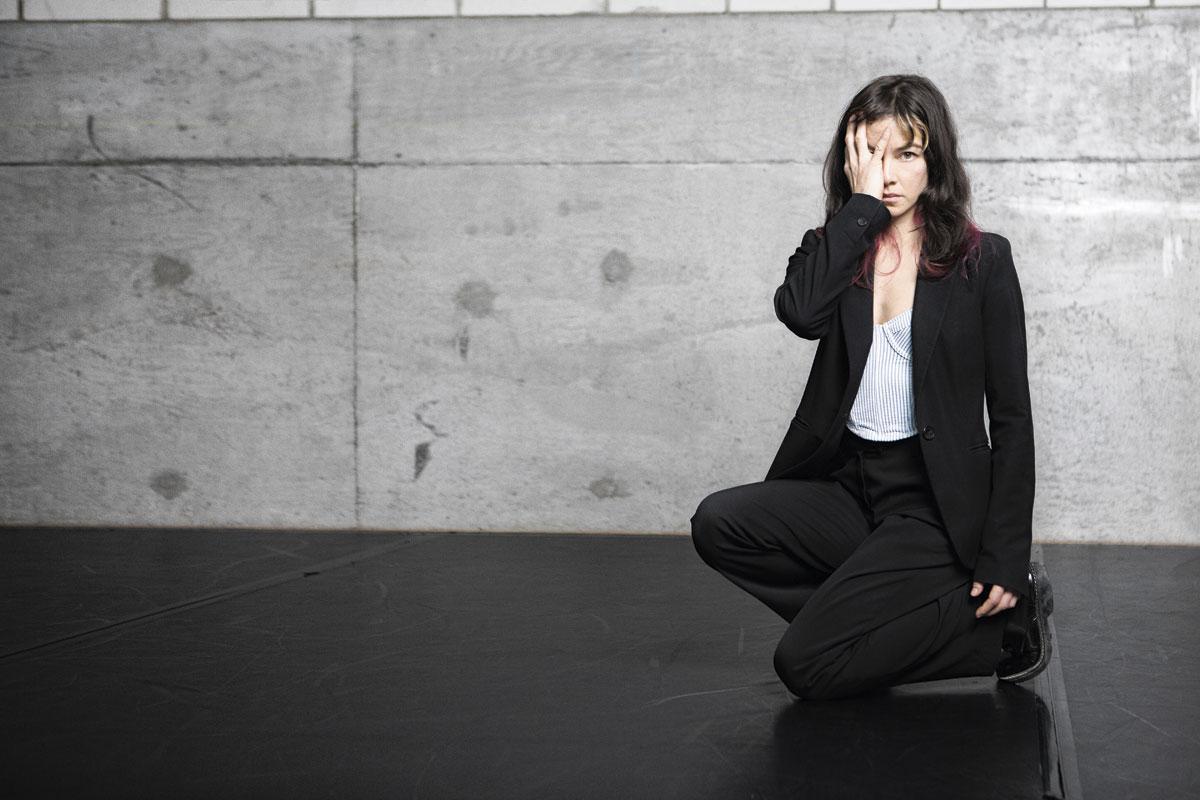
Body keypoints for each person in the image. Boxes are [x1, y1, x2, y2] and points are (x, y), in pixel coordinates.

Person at [689, 74, 1053, 701]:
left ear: (934, 162)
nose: (888, 174)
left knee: (805, 665)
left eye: (906, 154)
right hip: (852, 488)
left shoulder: (984, 261)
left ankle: (999, 634)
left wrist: (1005, 549)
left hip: (933, 504)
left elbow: (1013, 418)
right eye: (873, 154)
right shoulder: (832, 251)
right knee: (718, 523)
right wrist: (858, 212)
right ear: (852, 161)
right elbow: (801, 314)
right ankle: (888, 628)